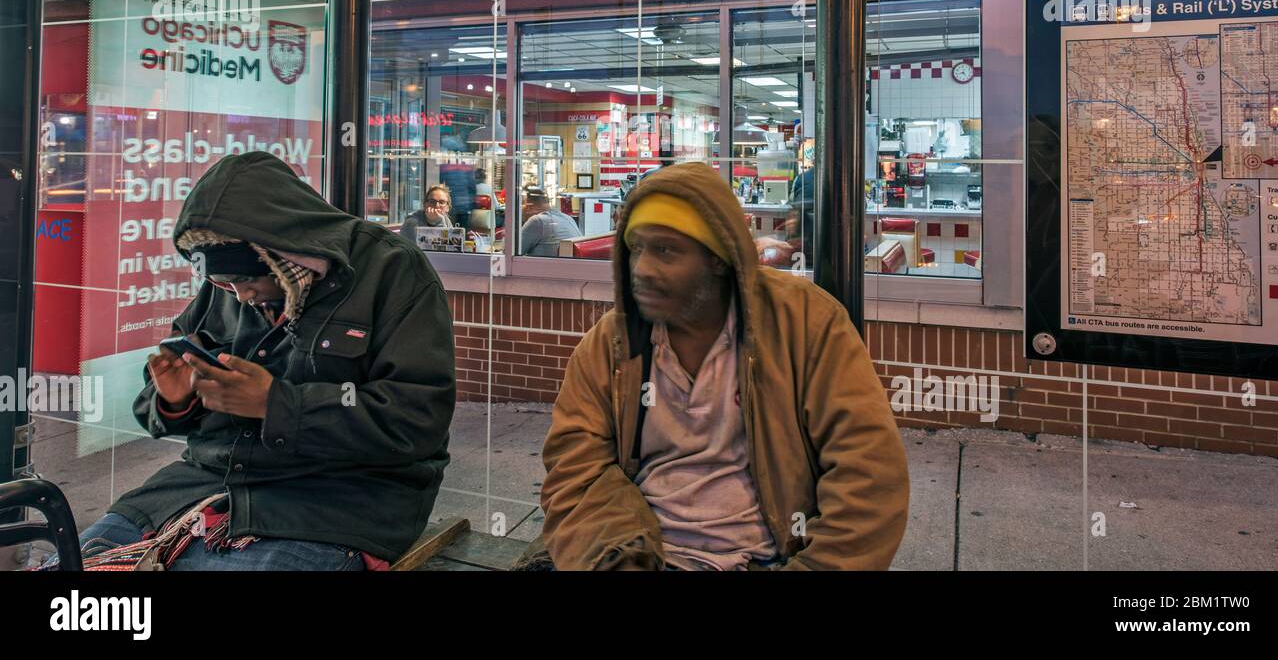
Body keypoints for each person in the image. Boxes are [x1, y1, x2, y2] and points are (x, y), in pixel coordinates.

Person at [64, 151, 456, 571]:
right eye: (222, 284)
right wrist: (175, 400)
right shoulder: (229, 282)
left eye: (248, 280)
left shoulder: (393, 270)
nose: (240, 296)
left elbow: (417, 419)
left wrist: (275, 404)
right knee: (74, 572)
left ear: (283, 256)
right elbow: (171, 379)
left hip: (338, 502)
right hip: (201, 486)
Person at [539, 161, 908, 570]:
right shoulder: (612, 343)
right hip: (642, 554)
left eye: (665, 250)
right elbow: (575, 468)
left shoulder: (806, 324)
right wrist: (615, 558)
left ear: (718, 259)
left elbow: (869, 475)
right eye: (636, 248)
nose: (642, 269)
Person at [518, 186, 581, 257]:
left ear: (528, 206)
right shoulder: (567, 218)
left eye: (521, 205)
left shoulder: (537, 221)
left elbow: (511, 252)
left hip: (547, 267)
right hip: (564, 266)